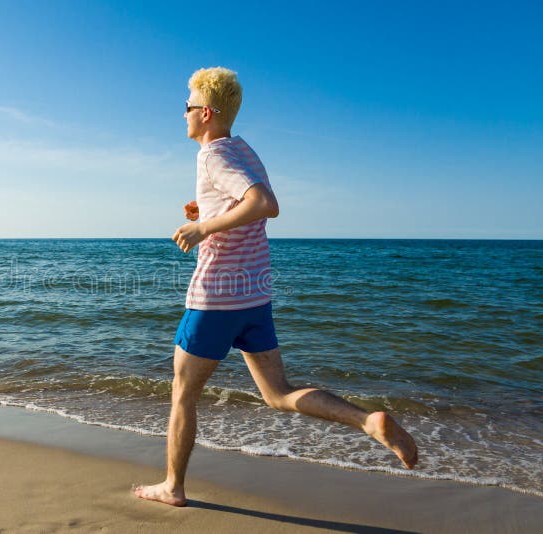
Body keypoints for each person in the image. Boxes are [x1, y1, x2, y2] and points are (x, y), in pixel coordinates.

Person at [133, 67, 418, 507]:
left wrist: (203, 228)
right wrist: (206, 209)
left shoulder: (210, 155)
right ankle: (367, 422)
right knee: (278, 393)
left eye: (187, 106)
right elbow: (247, 201)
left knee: (183, 393)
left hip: (216, 297)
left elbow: (265, 204)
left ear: (206, 113)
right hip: (254, 295)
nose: (182, 114)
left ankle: (173, 487)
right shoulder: (243, 149)